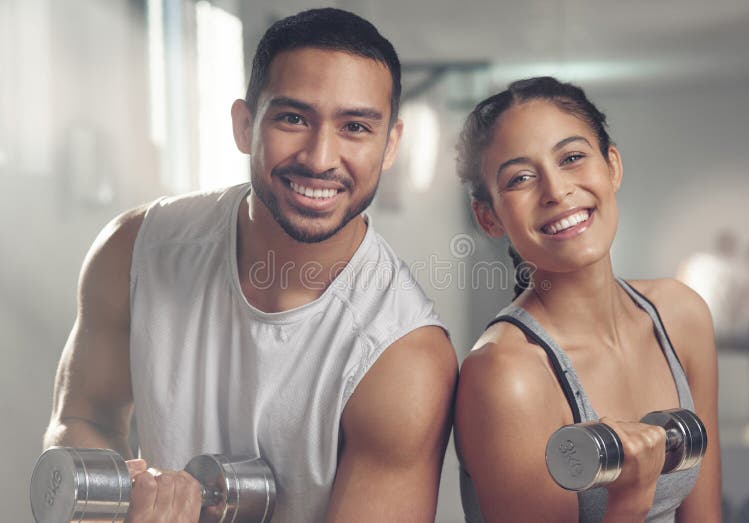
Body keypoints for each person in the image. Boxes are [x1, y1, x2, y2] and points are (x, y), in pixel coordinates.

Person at [43, 8, 457, 522]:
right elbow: (83, 417)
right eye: (293, 118)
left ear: (390, 144)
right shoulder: (134, 249)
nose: (320, 157)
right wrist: (122, 496)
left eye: (355, 127)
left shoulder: (401, 355)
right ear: (244, 125)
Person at [453, 77, 721, 522]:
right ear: (489, 217)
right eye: (520, 178)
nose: (556, 191)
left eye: (572, 158)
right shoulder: (505, 375)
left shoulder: (681, 315)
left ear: (611, 166)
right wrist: (630, 495)